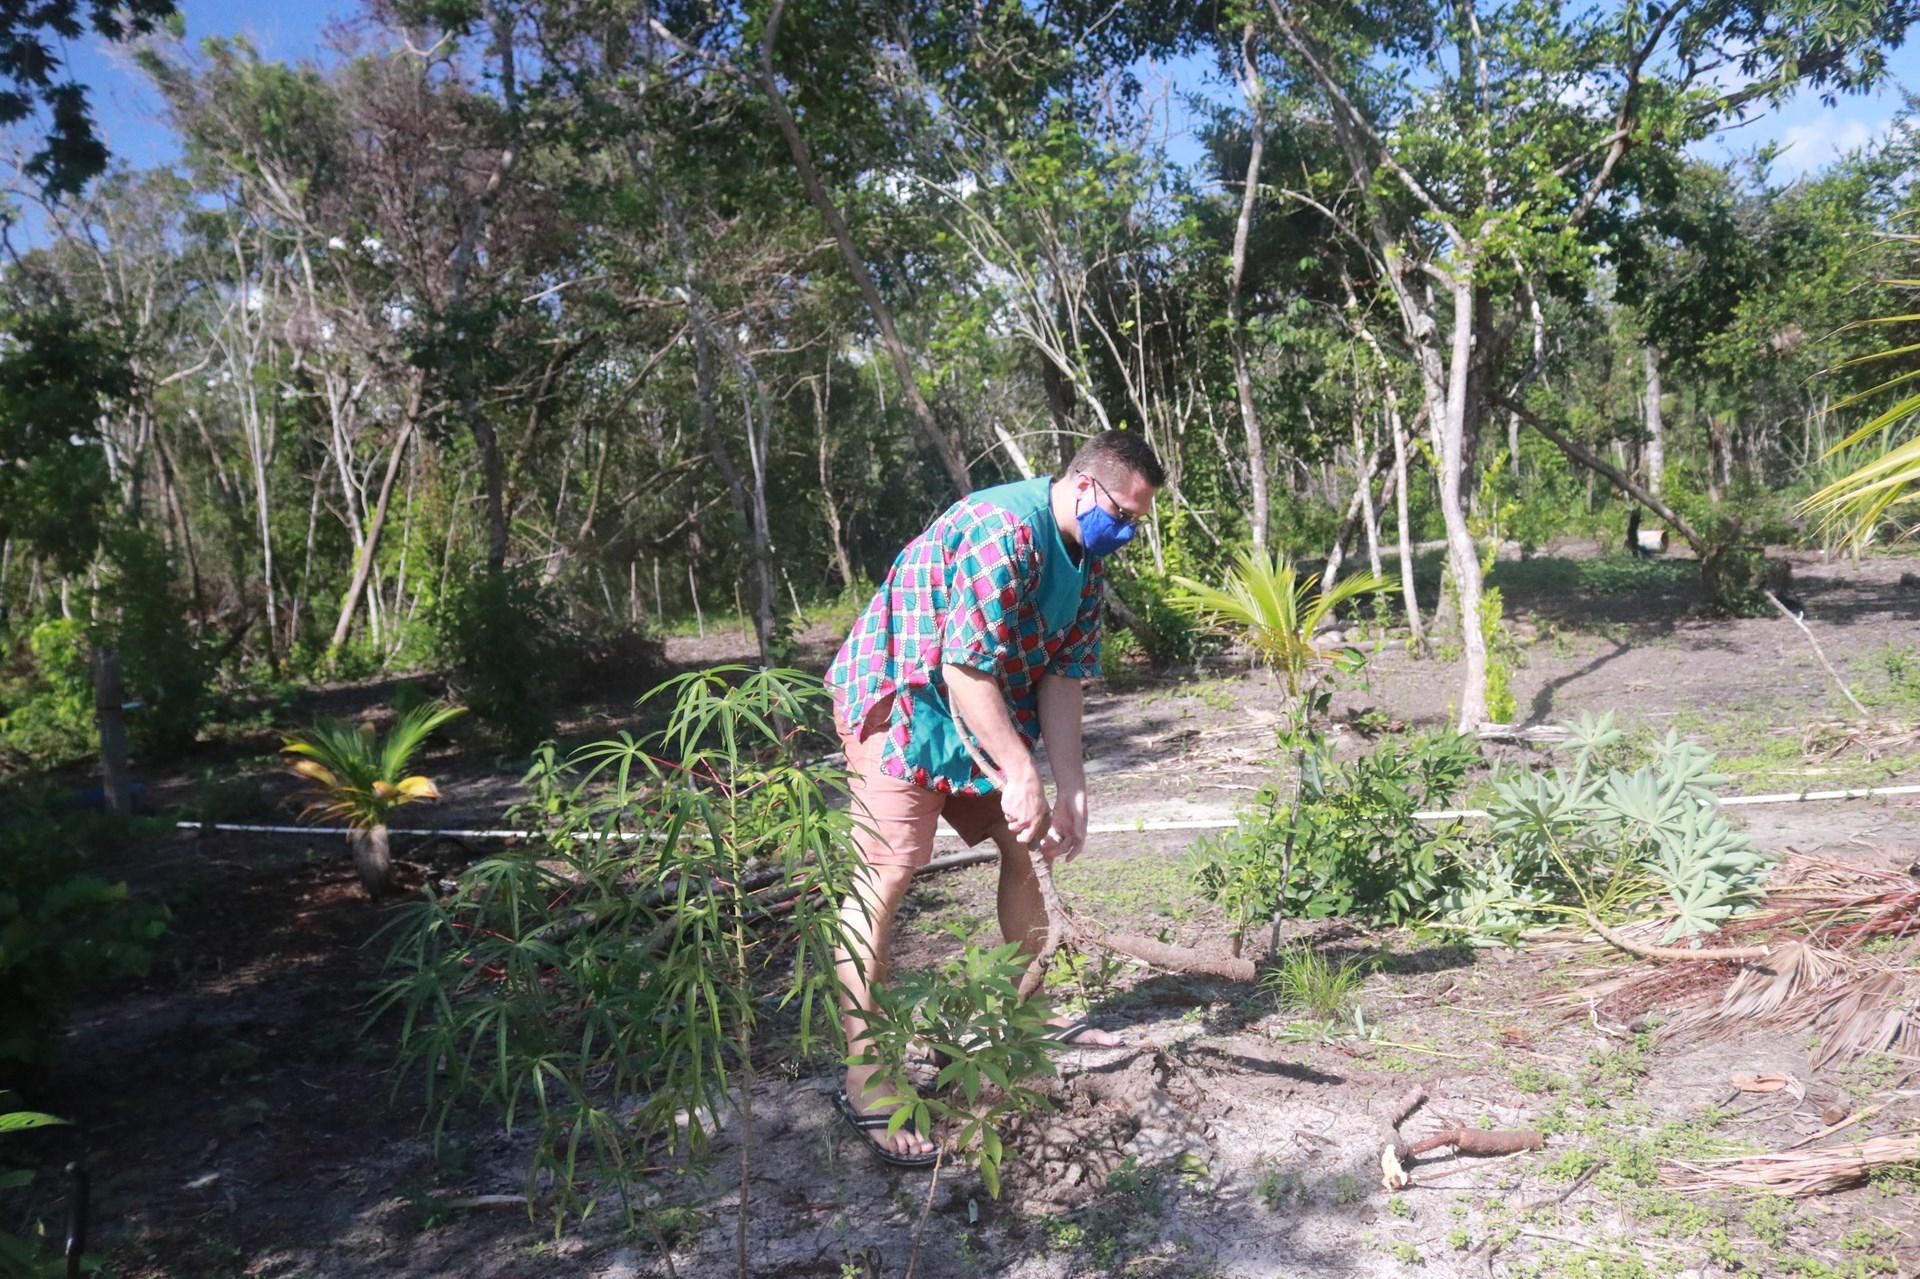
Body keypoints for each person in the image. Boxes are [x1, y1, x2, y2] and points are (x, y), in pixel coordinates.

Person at [824, 429, 1165, 1166]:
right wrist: (1020, 768)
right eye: (1124, 513)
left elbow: (1063, 678)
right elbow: (964, 669)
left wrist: (1069, 786)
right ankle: (865, 1074)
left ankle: (1031, 1023)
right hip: (903, 699)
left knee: (1028, 837)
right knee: (887, 873)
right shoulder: (1002, 529)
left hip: (973, 711)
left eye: (1139, 520)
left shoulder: (1088, 559)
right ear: (1082, 488)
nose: (1129, 530)